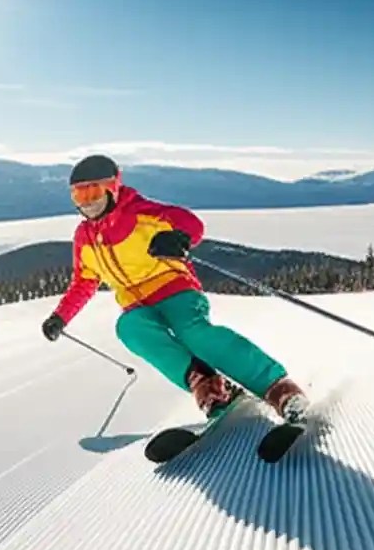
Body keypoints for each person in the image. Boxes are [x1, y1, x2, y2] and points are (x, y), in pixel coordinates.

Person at [40, 154, 310, 423]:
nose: (88, 202)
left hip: (175, 291)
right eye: (79, 195)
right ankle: (207, 385)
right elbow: (84, 282)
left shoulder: (141, 213)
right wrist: (60, 317)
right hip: (137, 307)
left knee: (194, 335)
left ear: (113, 187)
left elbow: (192, 224)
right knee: (128, 328)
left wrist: (176, 238)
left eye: (94, 191)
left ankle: (277, 388)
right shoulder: (84, 238)